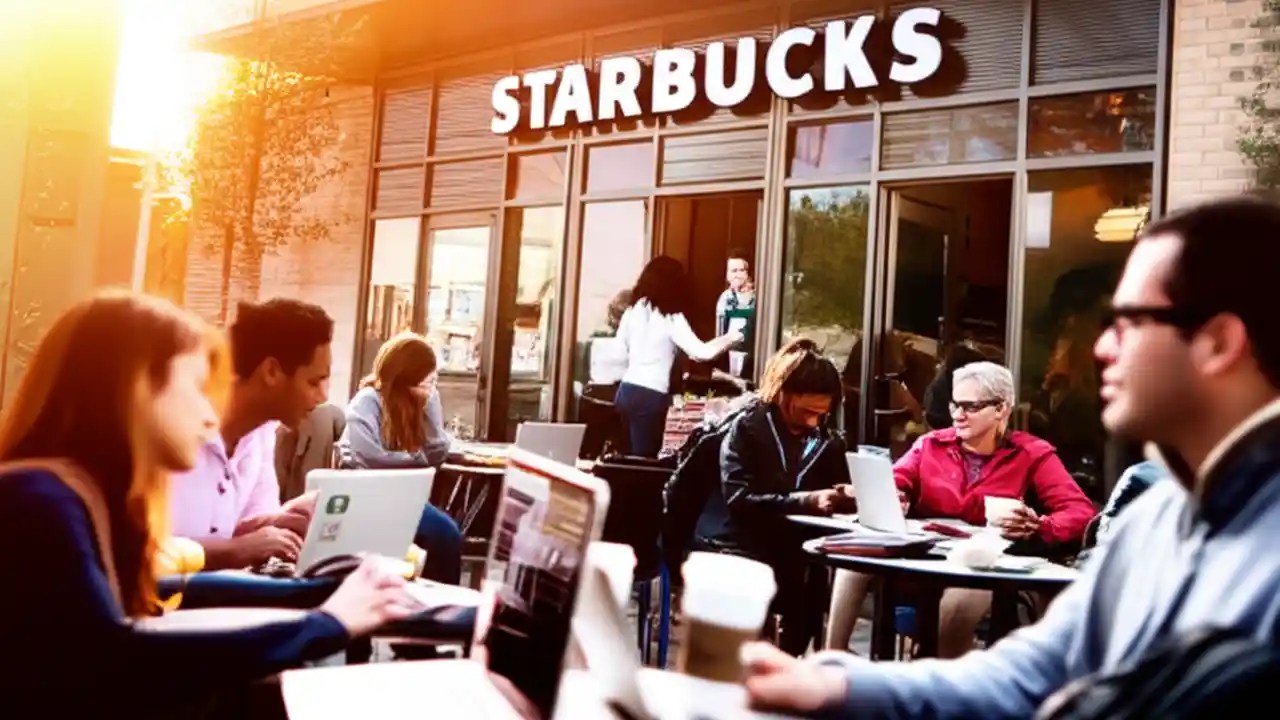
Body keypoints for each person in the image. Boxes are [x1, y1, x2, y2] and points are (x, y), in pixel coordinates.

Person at [741, 195, 1280, 718]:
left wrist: (1037, 526)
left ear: (1216, 342)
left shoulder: (1233, 545)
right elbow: (1034, 673)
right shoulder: (1158, 519)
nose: (1102, 349)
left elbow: (1070, 532)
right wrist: (834, 685)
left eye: (1128, 322)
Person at [0, 293, 417, 715]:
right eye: (197, 389)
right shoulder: (41, 498)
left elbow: (160, 587)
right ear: (138, 388)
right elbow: (118, 658)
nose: (208, 412)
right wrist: (326, 623)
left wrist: (311, 592)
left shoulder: (75, 492)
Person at [824, 361, 1094, 657]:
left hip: (985, 564)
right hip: (923, 558)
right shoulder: (929, 446)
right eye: (955, 405)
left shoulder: (1032, 454)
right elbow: (896, 481)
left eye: (970, 406)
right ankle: (831, 657)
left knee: (956, 610)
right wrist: (896, 496)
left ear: (1001, 409)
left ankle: (939, 687)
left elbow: (1079, 513)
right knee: (852, 556)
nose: (958, 415)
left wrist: (1039, 525)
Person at [169, 298, 334, 570]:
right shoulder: (173, 425)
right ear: (271, 372)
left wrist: (278, 523)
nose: (323, 396)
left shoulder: (261, 434)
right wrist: (234, 550)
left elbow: (246, 529)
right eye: (314, 382)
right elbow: (144, 548)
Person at [720, 339, 855, 656]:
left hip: (802, 556)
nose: (815, 419)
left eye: (822, 413)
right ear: (783, 394)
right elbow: (739, 500)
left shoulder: (829, 442)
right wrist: (805, 501)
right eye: (808, 411)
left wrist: (847, 497)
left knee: (809, 595)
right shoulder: (747, 430)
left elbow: (837, 493)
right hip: (751, 547)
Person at [338, 332, 463, 584]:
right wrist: (419, 459)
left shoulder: (423, 401)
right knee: (438, 534)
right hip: (366, 494)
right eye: (425, 381)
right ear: (405, 379)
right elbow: (371, 459)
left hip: (405, 494)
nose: (430, 388)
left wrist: (431, 405)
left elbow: (438, 453)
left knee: (448, 533)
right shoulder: (368, 402)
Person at [614, 256, 743, 457]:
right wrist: (734, 337)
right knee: (644, 463)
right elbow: (701, 353)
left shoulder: (633, 309)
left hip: (626, 390)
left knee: (626, 459)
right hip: (651, 394)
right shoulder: (671, 316)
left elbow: (620, 350)